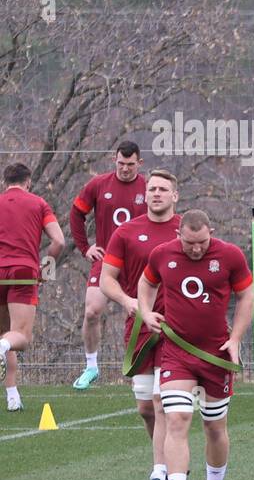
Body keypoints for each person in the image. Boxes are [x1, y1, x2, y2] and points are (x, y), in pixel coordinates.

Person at [138, 210, 253, 480]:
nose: (197, 248)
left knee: (214, 426)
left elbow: (246, 295)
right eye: (190, 243)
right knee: (176, 420)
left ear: (210, 232)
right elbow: (146, 283)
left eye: (202, 242)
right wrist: (146, 313)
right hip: (176, 352)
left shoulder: (230, 255)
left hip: (216, 354)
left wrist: (237, 338)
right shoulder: (162, 254)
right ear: (179, 235)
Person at [99, 170, 182, 480]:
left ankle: (161, 473)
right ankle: (165, 460)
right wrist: (128, 301)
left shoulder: (185, 230)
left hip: (177, 332)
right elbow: (107, 279)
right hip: (139, 330)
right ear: (144, 194)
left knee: (163, 403)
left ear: (175, 195)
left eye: (163, 189)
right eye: (152, 189)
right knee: (146, 408)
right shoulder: (126, 232)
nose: (157, 194)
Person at [68, 141, 147, 389]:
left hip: (138, 262)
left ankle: (142, 370)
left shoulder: (148, 187)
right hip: (106, 261)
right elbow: (76, 213)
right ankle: (91, 366)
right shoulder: (99, 184)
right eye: (120, 163)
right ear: (114, 159)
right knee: (91, 311)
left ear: (139, 163)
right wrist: (85, 247)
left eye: (130, 164)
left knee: (142, 316)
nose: (124, 168)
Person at [0, 163, 66, 411]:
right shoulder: (38, 203)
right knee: (21, 338)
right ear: (28, 182)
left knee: (6, 335)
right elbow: (58, 241)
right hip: (23, 272)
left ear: (5, 182)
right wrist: (45, 271)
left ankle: (13, 396)